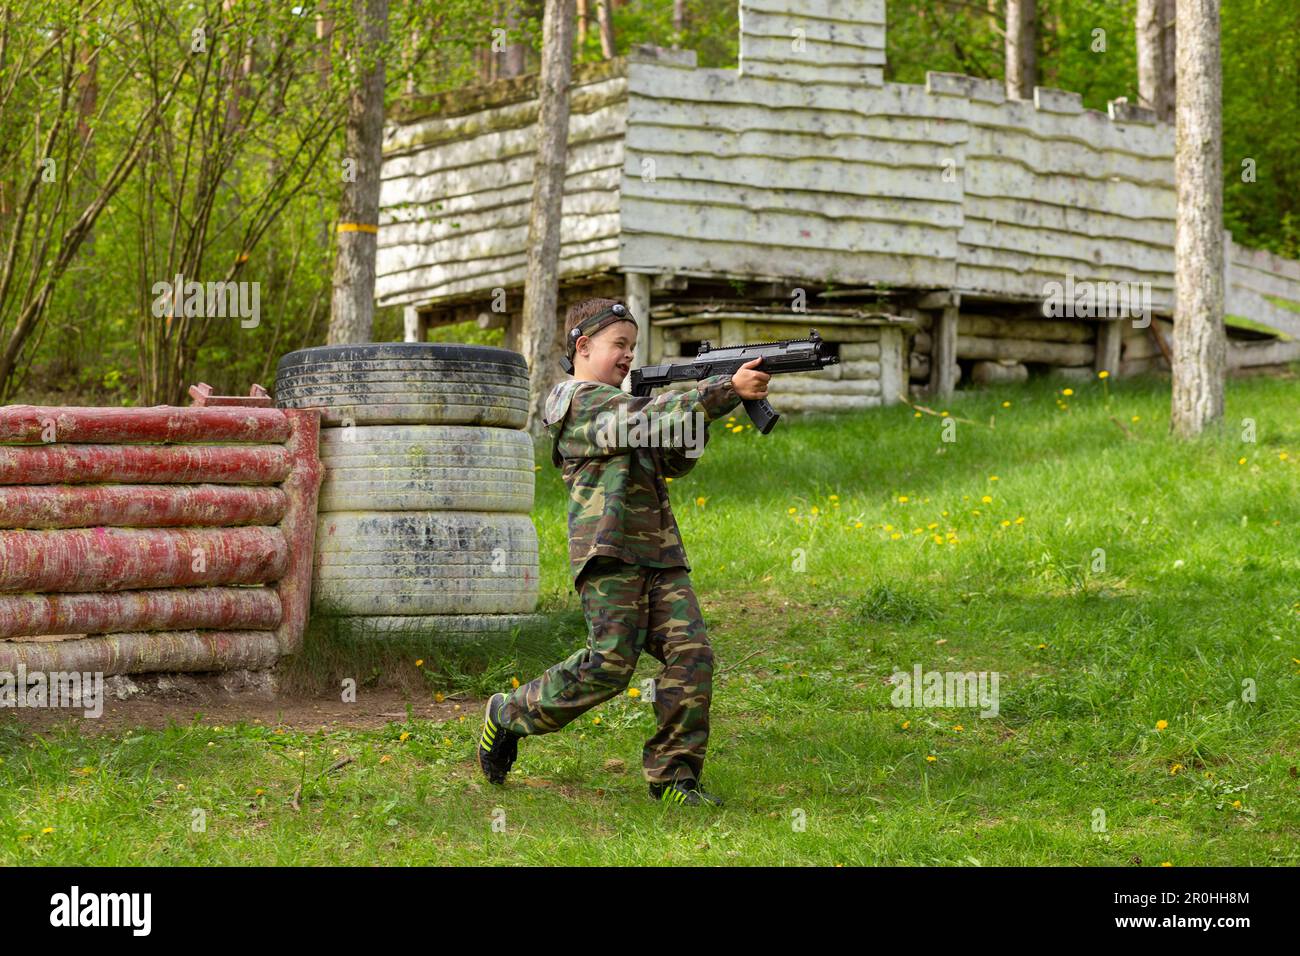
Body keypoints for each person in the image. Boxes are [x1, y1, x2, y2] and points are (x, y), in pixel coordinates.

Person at [477, 296, 770, 806]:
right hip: (608, 552)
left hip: (660, 552)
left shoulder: (634, 405)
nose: (629, 355)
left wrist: (711, 408)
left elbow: (674, 459)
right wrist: (722, 389)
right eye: (620, 344)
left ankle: (674, 779)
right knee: (610, 666)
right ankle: (507, 713)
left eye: (633, 346)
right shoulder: (574, 401)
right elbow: (640, 422)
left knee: (693, 655)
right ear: (583, 345)